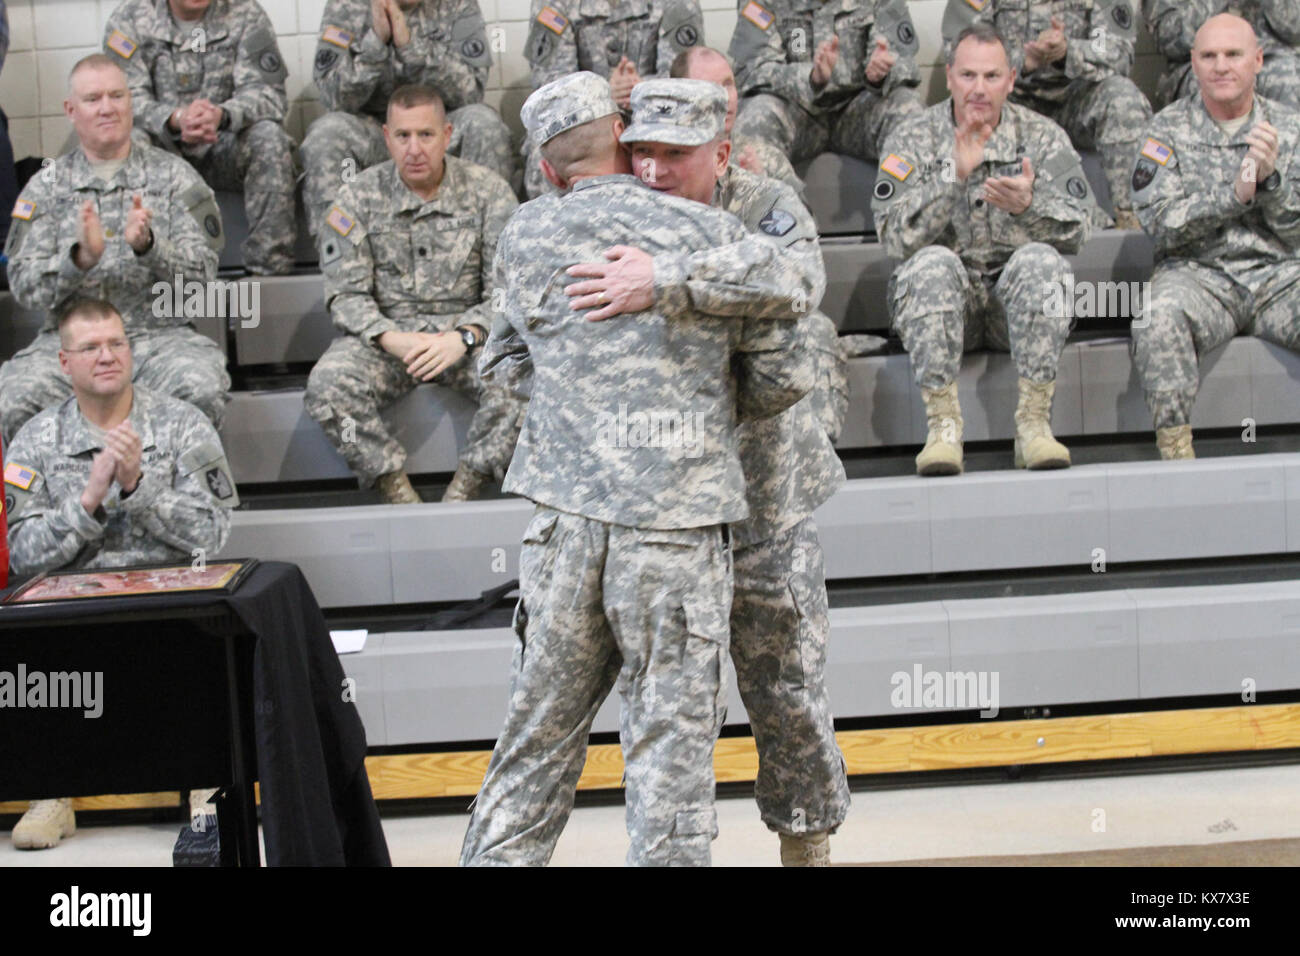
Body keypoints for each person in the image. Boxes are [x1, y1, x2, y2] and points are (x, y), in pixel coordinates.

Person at [459, 74, 812, 866]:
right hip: (675, 533)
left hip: (564, 528)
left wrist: (580, 404)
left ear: (548, 169)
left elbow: (503, 360)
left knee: (533, 746)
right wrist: (700, 406)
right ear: (625, 139)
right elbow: (787, 362)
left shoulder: (525, 234)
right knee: (669, 761)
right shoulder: (706, 232)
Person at [565, 76, 850, 865]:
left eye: (676, 156)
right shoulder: (616, 205)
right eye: (643, 152)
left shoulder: (759, 202)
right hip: (667, 512)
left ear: (721, 153)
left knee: (788, 695)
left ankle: (807, 848)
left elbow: (799, 281)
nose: (654, 171)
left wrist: (666, 281)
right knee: (670, 712)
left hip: (764, 501)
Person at [3, 297, 237, 849]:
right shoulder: (34, 439)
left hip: (170, 600)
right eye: (90, 347)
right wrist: (85, 505)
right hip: (73, 606)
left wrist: (139, 488)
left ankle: (206, 789)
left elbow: (214, 534)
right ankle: (51, 791)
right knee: (31, 640)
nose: (107, 356)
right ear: (64, 363)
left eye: (117, 343)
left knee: (209, 633)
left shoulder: (184, 424)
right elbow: (22, 555)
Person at [872, 23, 1096, 477]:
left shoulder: (1042, 136)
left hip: (1012, 310)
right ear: (950, 75)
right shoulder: (910, 140)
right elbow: (894, 238)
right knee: (930, 264)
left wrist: (1029, 207)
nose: (978, 88)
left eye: (992, 77)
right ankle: (944, 430)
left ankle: (1033, 426)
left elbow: (1080, 228)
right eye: (968, 76)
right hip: (942, 307)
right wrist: (949, 179)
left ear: (1011, 79)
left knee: (1042, 262)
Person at [303, 85, 522, 503]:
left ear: (448, 134)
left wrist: (466, 336)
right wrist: (391, 338)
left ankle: (468, 484)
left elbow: (507, 293)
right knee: (328, 384)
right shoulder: (356, 199)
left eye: (426, 135)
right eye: (403, 136)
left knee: (523, 375)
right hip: (390, 340)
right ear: (387, 138)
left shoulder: (489, 192)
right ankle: (395, 488)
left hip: (464, 338)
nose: (414, 149)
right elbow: (345, 295)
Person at [0, 55, 227, 445]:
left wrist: (151, 247)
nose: (107, 107)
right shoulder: (43, 188)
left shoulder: (176, 177)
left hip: (159, 338)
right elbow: (23, 285)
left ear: (131, 103)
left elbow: (203, 275)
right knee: (15, 398)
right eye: (93, 99)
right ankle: (58, 499)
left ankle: (167, 497)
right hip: (72, 341)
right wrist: (79, 261)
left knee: (199, 386)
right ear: (71, 110)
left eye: (116, 95)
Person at [1130, 13, 1300, 459]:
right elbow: (1160, 224)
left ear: (1259, 60)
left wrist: (1272, 185)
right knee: (1155, 316)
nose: (1221, 66)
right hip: (1199, 276)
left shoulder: (1290, 128)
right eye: (1208, 55)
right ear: (1193, 62)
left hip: (1279, 275)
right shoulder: (1165, 130)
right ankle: (1176, 455)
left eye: (1233, 54)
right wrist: (1235, 195)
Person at [102, 0, 297, 275]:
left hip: (223, 146)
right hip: (163, 152)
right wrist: (174, 119)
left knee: (269, 137)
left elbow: (270, 95)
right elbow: (120, 100)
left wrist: (222, 115)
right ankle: (137, 274)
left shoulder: (245, 13)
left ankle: (269, 275)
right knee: (127, 142)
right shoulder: (129, 19)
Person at [301, 0, 514, 234]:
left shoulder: (458, 4)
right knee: (327, 133)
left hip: (435, 131)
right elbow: (335, 99)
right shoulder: (345, 5)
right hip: (375, 134)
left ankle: (492, 244)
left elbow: (470, 92)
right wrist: (376, 43)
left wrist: (411, 47)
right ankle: (340, 249)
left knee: (483, 124)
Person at [941, 0, 1152, 229]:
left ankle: (1132, 218)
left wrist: (1068, 51)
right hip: (1012, 100)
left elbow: (1115, 50)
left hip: (1079, 97)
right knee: (974, 103)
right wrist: (1023, 61)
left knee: (1124, 99)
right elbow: (961, 52)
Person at [519, 0, 703, 197]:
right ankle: (564, 222)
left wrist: (640, 88)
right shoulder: (553, 3)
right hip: (587, 119)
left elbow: (687, 74)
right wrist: (604, 92)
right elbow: (548, 84)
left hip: (658, 112)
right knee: (544, 148)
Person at [727, 0, 923, 173]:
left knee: (907, 109)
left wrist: (881, 74)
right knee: (753, 123)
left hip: (856, 110)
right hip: (797, 111)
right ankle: (781, 211)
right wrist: (810, 78)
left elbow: (905, 63)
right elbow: (752, 70)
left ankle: (901, 207)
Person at [670, 45, 802, 192]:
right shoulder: (663, 163)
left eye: (728, 85)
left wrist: (764, 195)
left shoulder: (768, 160)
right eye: (711, 88)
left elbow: (801, 213)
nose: (725, 98)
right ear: (680, 98)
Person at [1143, 0, 1300, 108]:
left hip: (1267, 59)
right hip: (1203, 62)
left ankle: (1288, 154)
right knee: (1216, 86)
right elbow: (1170, 39)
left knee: (1287, 77)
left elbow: (1294, 30)